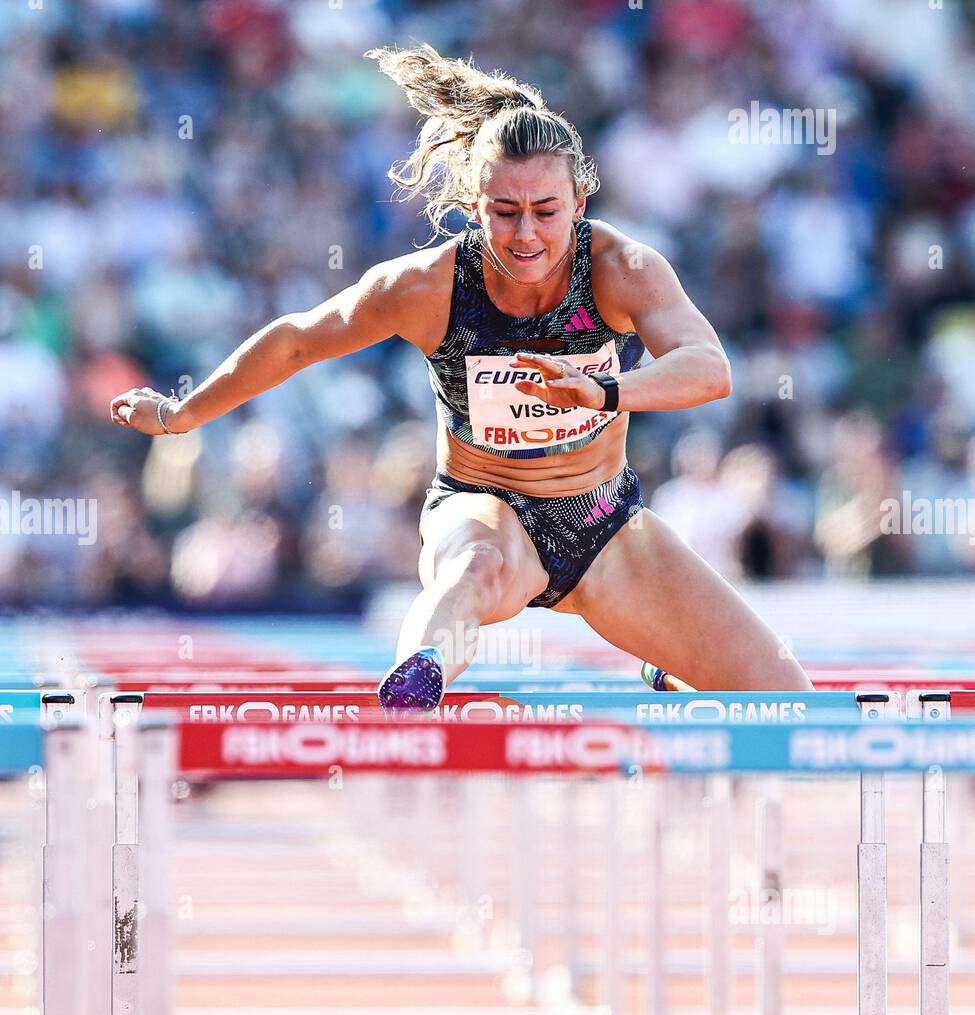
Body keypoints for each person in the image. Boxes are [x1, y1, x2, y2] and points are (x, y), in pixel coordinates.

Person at [110, 43, 813, 707]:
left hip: (604, 525)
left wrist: (602, 391)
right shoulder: (427, 285)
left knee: (788, 705)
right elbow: (297, 341)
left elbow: (707, 369)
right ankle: (417, 678)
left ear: (580, 203)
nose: (526, 235)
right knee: (473, 565)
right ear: (474, 209)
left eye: (545, 212)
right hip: (485, 504)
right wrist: (182, 415)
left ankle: (671, 673)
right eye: (504, 214)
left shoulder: (621, 269)